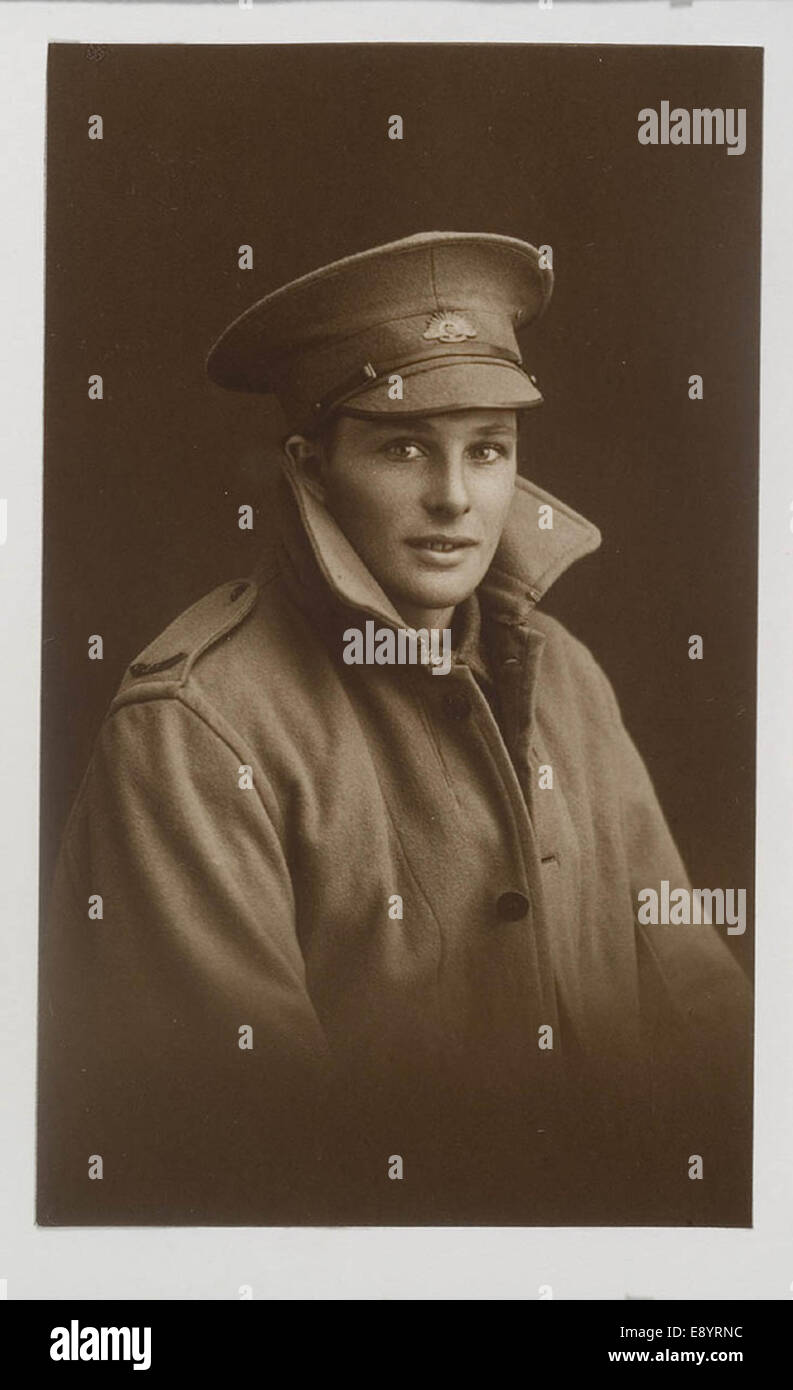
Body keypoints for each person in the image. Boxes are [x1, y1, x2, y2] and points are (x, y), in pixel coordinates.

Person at [38, 232, 752, 1227]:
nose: (455, 498)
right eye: (404, 444)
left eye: (487, 449)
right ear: (311, 465)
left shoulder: (568, 682)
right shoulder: (197, 727)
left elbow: (702, 1021)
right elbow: (241, 1150)